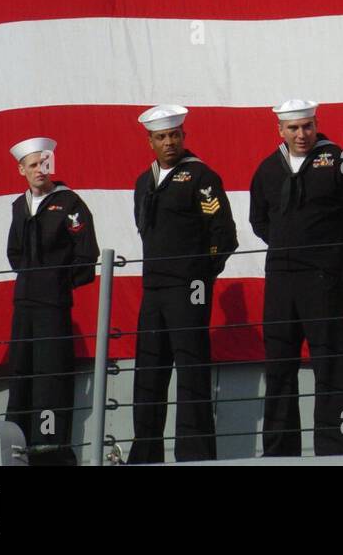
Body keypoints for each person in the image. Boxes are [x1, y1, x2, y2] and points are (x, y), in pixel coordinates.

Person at [249, 100, 343, 456]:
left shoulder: (341, 161)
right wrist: (287, 245)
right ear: (281, 130)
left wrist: (333, 251)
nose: (301, 134)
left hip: (323, 278)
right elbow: (259, 221)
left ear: (316, 125)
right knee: (279, 365)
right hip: (280, 278)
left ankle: (335, 449)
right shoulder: (266, 169)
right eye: (293, 128)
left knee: (332, 364)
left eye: (307, 126)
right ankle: (279, 451)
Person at [129, 105, 237, 463]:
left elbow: (223, 234)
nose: (169, 142)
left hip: (188, 289)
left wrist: (199, 275)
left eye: (174, 135)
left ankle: (195, 455)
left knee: (191, 373)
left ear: (183, 137)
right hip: (154, 290)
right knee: (148, 374)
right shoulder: (144, 182)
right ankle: (145, 454)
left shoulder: (200, 177)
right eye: (161, 137)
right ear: (150, 142)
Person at [4, 137, 100, 465]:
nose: (40, 171)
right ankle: (16, 450)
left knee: (50, 384)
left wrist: (54, 283)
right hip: (24, 307)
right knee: (21, 377)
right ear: (22, 170)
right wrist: (34, 280)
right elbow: (14, 253)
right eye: (33, 165)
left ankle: (49, 453)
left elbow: (87, 256)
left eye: (45, 164)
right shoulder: (19, 206)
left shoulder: (69, 203)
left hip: (53, 309)